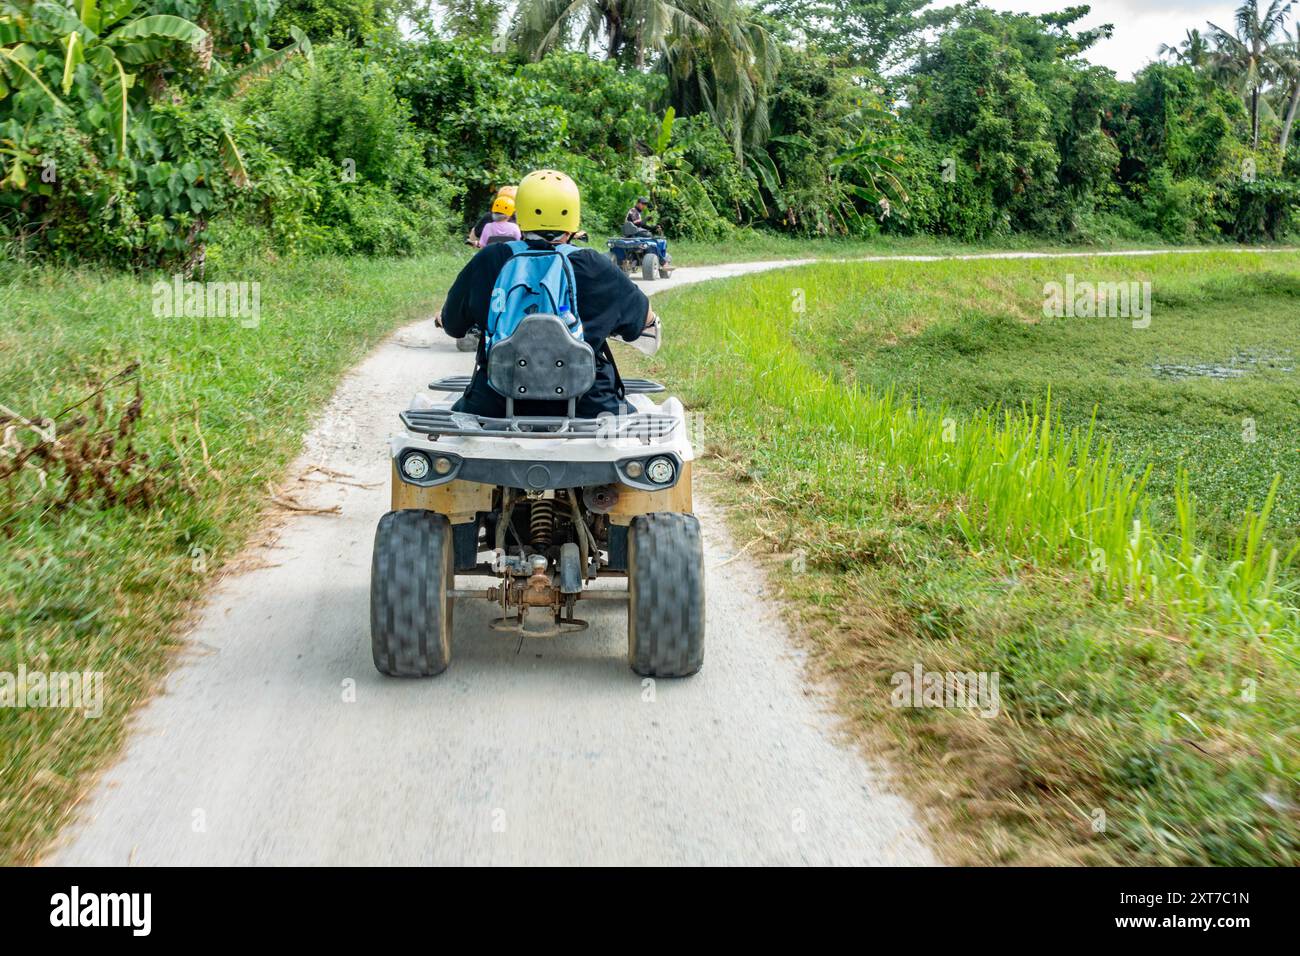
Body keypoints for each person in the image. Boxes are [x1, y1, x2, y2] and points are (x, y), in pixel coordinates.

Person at [438, 169, 658, 419]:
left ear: (519, 213)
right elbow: (643, 320)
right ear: (573, 217)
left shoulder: (491, 258)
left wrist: (442, 317)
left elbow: (453, 325)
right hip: (591, 406)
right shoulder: (593, 264)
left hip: (494, 402)